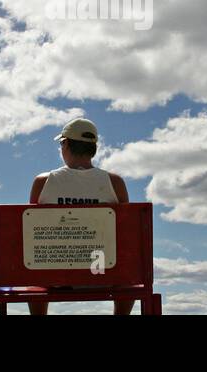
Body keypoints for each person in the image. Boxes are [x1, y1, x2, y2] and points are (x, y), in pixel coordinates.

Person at [28, 117, 132, 315]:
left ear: (65, 145)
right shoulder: (115, 183)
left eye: (61, 143)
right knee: (126, 270)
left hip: (54, 275)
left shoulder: (43, 182)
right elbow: (127, 234)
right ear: (93, 149)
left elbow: (30, 235)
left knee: (36, 274)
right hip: (105, 273)